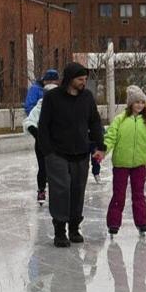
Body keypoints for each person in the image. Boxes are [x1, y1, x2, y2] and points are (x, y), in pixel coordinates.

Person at [35, 61, 105, 248]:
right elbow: (43, 126)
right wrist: (48, 151)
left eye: (85, 79)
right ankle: (60, 230)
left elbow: (95, 122)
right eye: (80, 79)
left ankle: (74, 227)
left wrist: (100, 145)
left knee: (77, 191)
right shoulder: (52, 98)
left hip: (81, 152)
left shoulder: (87, 97)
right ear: (70, 79)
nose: (84, 82)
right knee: (60, 190)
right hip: (57, 153)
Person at [102, 86, 146, 237]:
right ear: (130, 104)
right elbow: (111, 137)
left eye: (142, 102)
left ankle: (142, 223)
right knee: (118, 195)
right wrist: (103, 150)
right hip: (121, 164)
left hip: (139, 164)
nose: (140, 105)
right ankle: (113, 223)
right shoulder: (120, 119)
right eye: (137, 102)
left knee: (139, 195)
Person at [23, 68, 61, 202]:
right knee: (43, 167)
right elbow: (29, 121)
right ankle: (41, 190)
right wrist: (38, 134)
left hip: (58, 142)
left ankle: (58, 190)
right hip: (42, 142)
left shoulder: (61, 105)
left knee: (58, 167)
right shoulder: (40, 105)